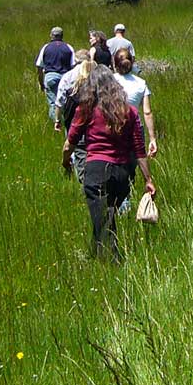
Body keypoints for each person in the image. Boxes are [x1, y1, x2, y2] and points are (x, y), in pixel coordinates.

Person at [64, 70, 155, 260]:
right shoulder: (129, 111)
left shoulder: (86, 109)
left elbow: (70, 140)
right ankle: (95, 253)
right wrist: (148, 179)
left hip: (97, 170)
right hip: (123, 172)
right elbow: (139, 149)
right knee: (106, 215)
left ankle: (114, 260)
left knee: (103, 217)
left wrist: (66, 161)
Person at [112, 46, 158, 158]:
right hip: (134, 127)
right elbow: (147, 112)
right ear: (132, 62)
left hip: (113, 126)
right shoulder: (141, 83)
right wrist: (152, 139)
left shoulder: (110, 80)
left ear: (115, 63)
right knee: (132, 163)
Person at [35, 26, 74, 125]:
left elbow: (39, 66)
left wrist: (41, 82)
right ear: (62, 36)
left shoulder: (46, 47)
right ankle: (66, 122)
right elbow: (73, 65)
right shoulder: (68, 47)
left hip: (50, 77)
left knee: (53, 103)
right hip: (65, 77)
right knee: (65, 102)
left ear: (51, 35)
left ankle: (56, 124)